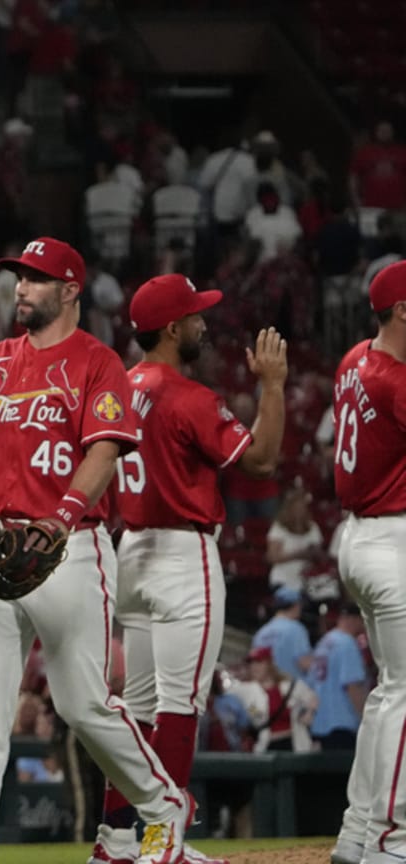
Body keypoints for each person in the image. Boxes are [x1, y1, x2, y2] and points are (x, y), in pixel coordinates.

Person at [0, 238, 189, 864]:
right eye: (18, 278)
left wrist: (60, 519)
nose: (20, 288)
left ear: (71, 290)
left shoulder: (96, 362)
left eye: (35, 278)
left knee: (83, 704)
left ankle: (163, 808)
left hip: (69, 546)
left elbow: (103, 451)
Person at [90, 275, 289, 864]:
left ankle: (115, 839)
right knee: (180, 706)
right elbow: (262, 460)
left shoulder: (119, 388)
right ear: (173, 329)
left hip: (132, 551)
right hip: (183, 555)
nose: (205, 323)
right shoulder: (187, 395)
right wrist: (272, 387)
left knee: (142, 710)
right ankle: (164, 840)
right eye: (196, 317)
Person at [327, 261, 406, 864]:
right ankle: (393, 842)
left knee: (389, 692)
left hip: (358, 536)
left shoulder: (357, 358)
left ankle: (357, 833)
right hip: (392, 539)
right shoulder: (395, 381)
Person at [309, 603, 368, 751]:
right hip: (342, 723)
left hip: (319, 723)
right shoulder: (347, 643)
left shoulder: (324, 642)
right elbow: (353, 686)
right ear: (354, 620)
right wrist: (366, 719)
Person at [251, 586, 312, 681]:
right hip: (290, 689)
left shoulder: (262, 632)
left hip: (267, 689)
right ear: (295, 605)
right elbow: (304, 663)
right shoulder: (296, 629)